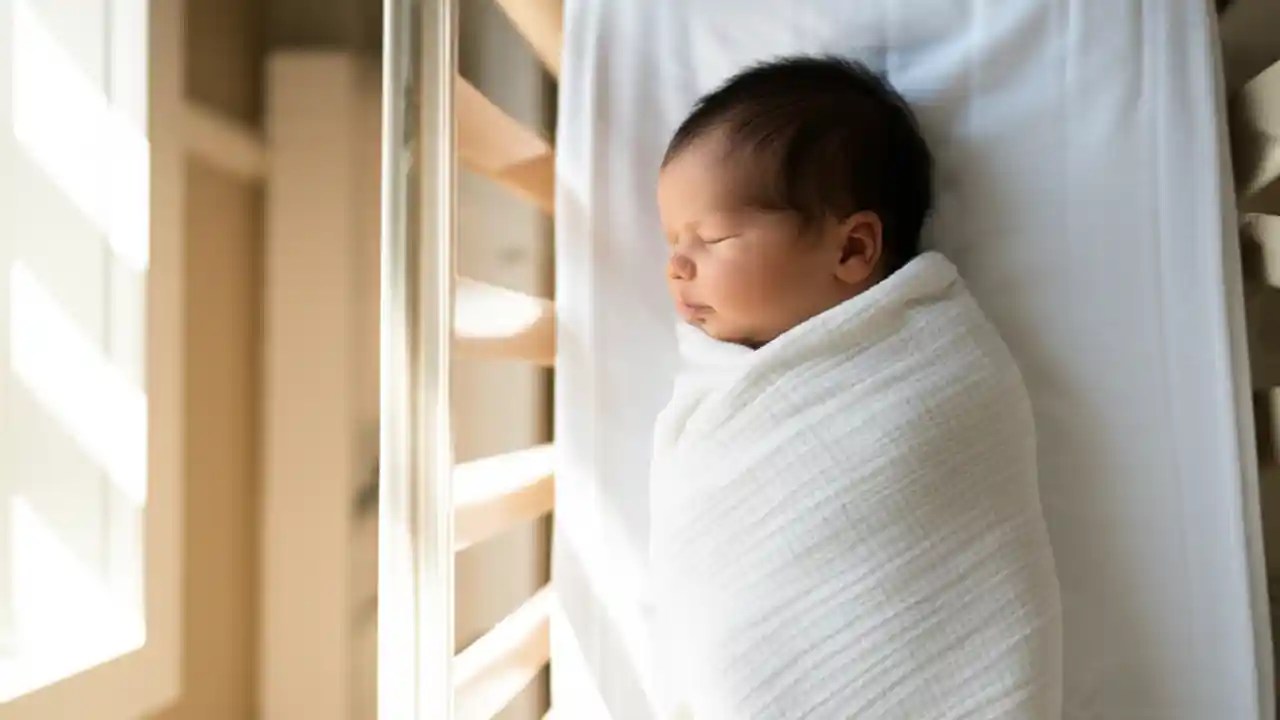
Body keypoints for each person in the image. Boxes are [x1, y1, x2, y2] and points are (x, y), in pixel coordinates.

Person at [649, 56, 1063, 718]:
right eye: (672, 242)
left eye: (710, 238)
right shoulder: (721, 397)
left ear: (851, 251)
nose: (675, 267)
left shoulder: (934, 365)